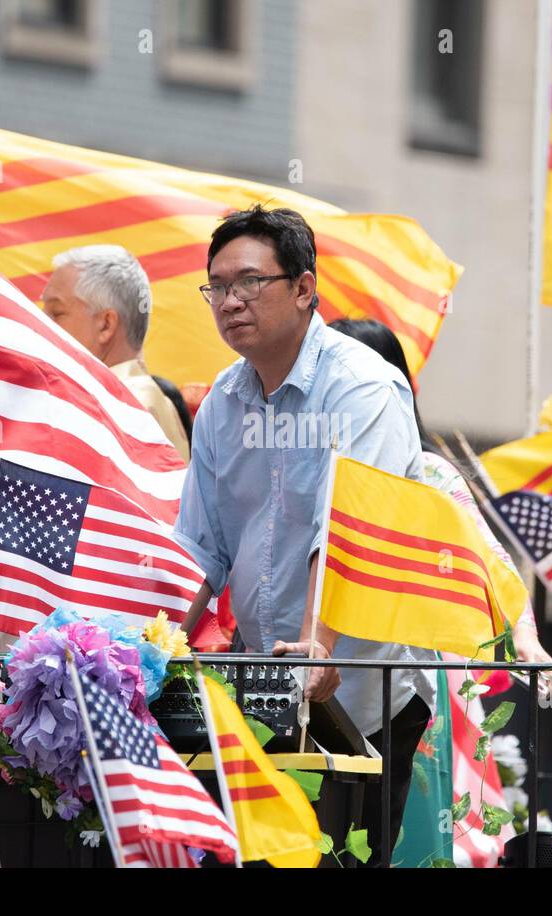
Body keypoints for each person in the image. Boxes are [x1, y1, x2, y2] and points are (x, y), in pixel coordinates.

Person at [173, 205, 434, 861]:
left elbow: (349, 522)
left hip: (364, 692)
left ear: (303, 287)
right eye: (218, 286)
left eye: (250, 281)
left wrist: (320, 643)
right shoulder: (221, 407)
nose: (231, 300)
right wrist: (151, 643)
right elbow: (199, 547)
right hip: (264, 693)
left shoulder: (363, 385)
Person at [329, 318, 549, 866]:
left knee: (400, 835)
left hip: (404, 683)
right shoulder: (304, 462)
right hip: (317, 676)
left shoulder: (427, 473)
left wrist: (527, 640)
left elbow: (492, 560)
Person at [41, 245, 190, 460]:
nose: (42, 323)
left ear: (105, 325)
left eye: (56, 312)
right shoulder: (129, 398)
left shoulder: (124, 407)